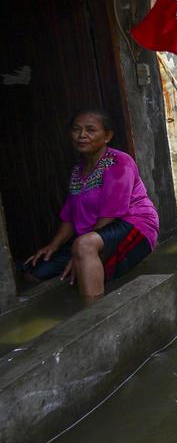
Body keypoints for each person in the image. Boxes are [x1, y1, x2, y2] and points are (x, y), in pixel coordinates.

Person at [22, 109, 159, 300]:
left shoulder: (120, 161)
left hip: (133, 224)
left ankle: (92, 313)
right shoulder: (78, 169)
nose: (82, 135)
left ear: (107, 136)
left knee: (84, 246)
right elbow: (70, 214)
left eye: (90, 130)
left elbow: (112, 212)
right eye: (76, 129)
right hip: (92, 234)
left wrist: (80, 252)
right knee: (33, 271)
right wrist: (52, 246)